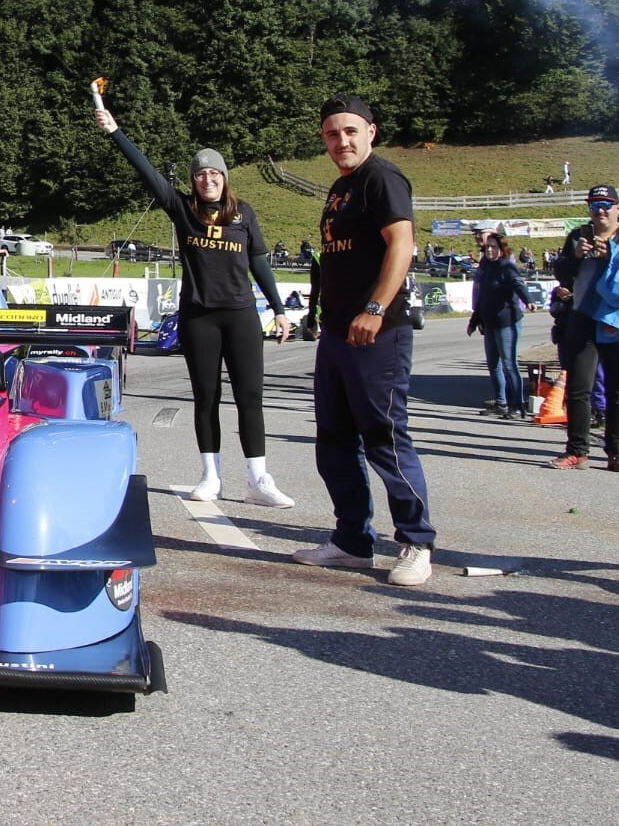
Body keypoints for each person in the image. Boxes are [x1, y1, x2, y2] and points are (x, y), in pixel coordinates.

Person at [96, 107, 294, 508]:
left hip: (240, 315)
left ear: (224, 177)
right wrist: (115, 131)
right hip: (199, 316)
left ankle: (258, 479)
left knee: (250, 396)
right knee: (206, 397)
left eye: (214, 173)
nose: (208, 179)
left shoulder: (244, 213)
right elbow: (147, 172)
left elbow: (259, 263)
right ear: (193, 180)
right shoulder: (183, 209)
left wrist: (278, 308)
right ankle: (210, 476)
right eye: (201, 174)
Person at [293, 94, 435, 586]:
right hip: (336, 334)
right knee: (334, 441)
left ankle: (416, 541)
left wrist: (374, 309)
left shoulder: (383, 177)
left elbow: (402, 245)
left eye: (351, 131)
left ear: (371, 132)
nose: (342, 141)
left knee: (385, 438)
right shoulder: (340, 188)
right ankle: (352, 541)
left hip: (379, 331)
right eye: (332, 133)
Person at [550, 184, 619, 472]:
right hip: (583, 316)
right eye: (594, 205)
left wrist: (614, 254)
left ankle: (617, 453)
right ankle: (577, 451)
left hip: (618, 320)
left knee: (617, 389)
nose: (600, 211)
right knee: (579, 387)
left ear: (618, 208)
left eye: (606, 205)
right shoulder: (579, 235)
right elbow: (560, 273)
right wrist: (575, 256)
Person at [467, 229, 527, 419]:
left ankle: (517, 405)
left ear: (502, 249)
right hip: (490, 323)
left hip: (507, 322)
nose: (489, 250)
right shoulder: (486, 267)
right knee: (493, 365)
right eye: (487, 247)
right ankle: (501, 403)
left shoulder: (507, 266)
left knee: (509, 365)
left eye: (493, 247)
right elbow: (482, 298)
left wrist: (529, 300)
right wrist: (474, 321)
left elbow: (518, 284)